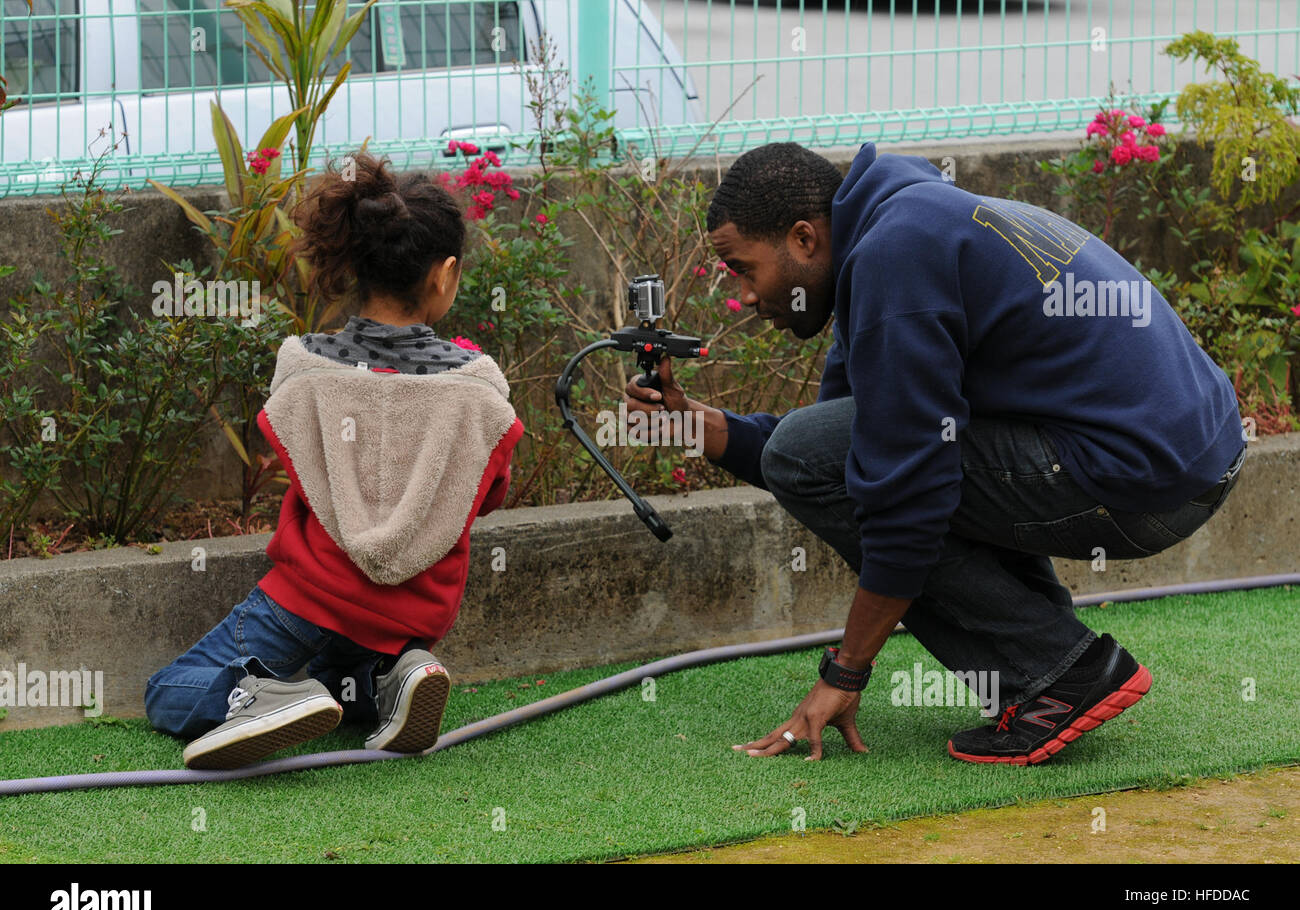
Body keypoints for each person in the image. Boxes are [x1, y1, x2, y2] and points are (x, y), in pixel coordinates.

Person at [624, 141, 1245, 765]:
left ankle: (1057, 672)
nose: (746, 298)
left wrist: (845, 672)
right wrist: (701, 427)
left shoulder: (897, 257)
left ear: (804, 239)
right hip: (1181, 458)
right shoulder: (896, 230)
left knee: (898, 482)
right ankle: (1045, 669)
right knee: (851, 456)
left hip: (1151, 481)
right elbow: (836, 454)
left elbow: (897, 492)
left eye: (743, 269)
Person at [145, 153, 523, 769]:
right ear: (445, 274)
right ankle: (392, 675)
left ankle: (255, 695)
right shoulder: (477, 393)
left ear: (355, 262)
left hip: (307, 599)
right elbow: (486, 494)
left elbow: (296, 459)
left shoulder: (306, 371)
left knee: (166, 690)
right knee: (348, 683)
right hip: (411, 610)